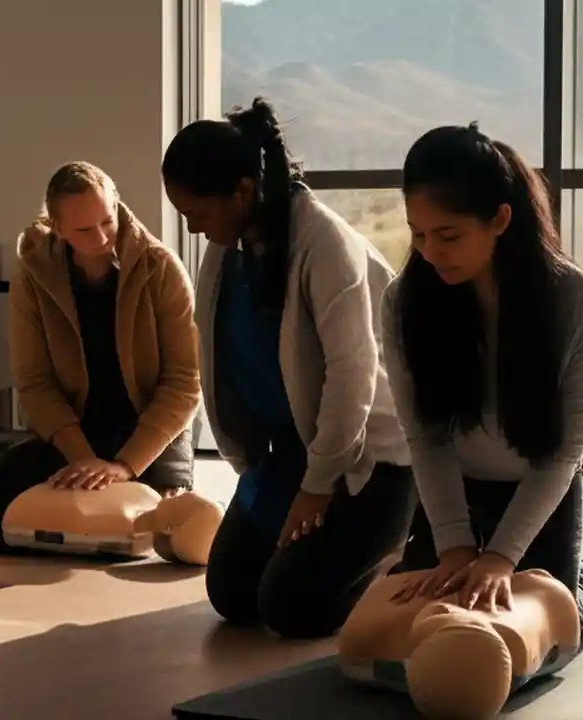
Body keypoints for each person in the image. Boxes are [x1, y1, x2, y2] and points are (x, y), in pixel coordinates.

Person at [162, 98, 415, 639]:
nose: (194, 229)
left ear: (243, 192)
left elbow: (353, 378)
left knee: (293, 609)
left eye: (198, 215)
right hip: (287, 456)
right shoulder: (228, 247)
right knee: (233, 594)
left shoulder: (325, 246)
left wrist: (319, 486)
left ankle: (399, 551)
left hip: (367, 464)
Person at [381, 124, 583, 655]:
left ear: (501, 220)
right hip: (456, 487)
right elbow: (426, 439)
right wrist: (456, 547)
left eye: (449, 235)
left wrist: (502, 557)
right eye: (417, 234)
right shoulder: (404, 302)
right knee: (408, 633)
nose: (430, 252)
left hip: (541, 485)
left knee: (538, 636)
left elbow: (560, 458)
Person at [0, 162, 200, 555]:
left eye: (108, 222)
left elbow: (184, 381)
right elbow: (35, 383)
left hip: (150, 424)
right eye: (85, 230)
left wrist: (123, 468)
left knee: (169, 529)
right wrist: (85, 463)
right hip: (77, 426)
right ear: (57, 227)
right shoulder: (33, 274)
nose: (103, 238)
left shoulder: (161, 268)